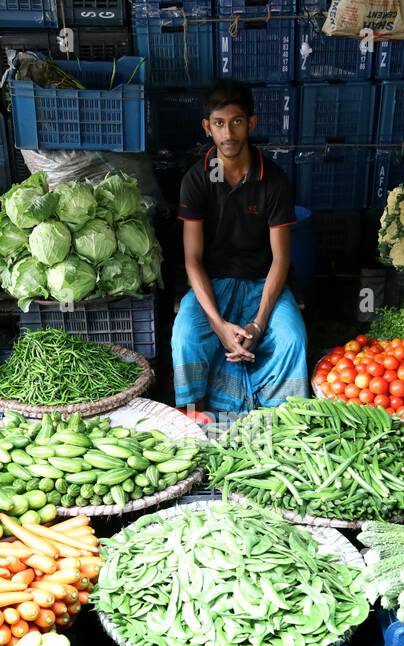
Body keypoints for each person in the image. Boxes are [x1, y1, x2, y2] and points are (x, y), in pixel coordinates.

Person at [171, 80, 308, 414]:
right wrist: (218, 325)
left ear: (252, 123)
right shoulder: (198, 179)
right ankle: (194, 418)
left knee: (292, 338)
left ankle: (282, 421)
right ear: (207, 127)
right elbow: (192, 260)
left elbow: (281, 258)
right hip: (213, 284)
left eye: (236, 122)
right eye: (219, 123)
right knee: (185, 336)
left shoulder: (272, 179)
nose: (228, 133)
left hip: (263, 284)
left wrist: (259, 324)